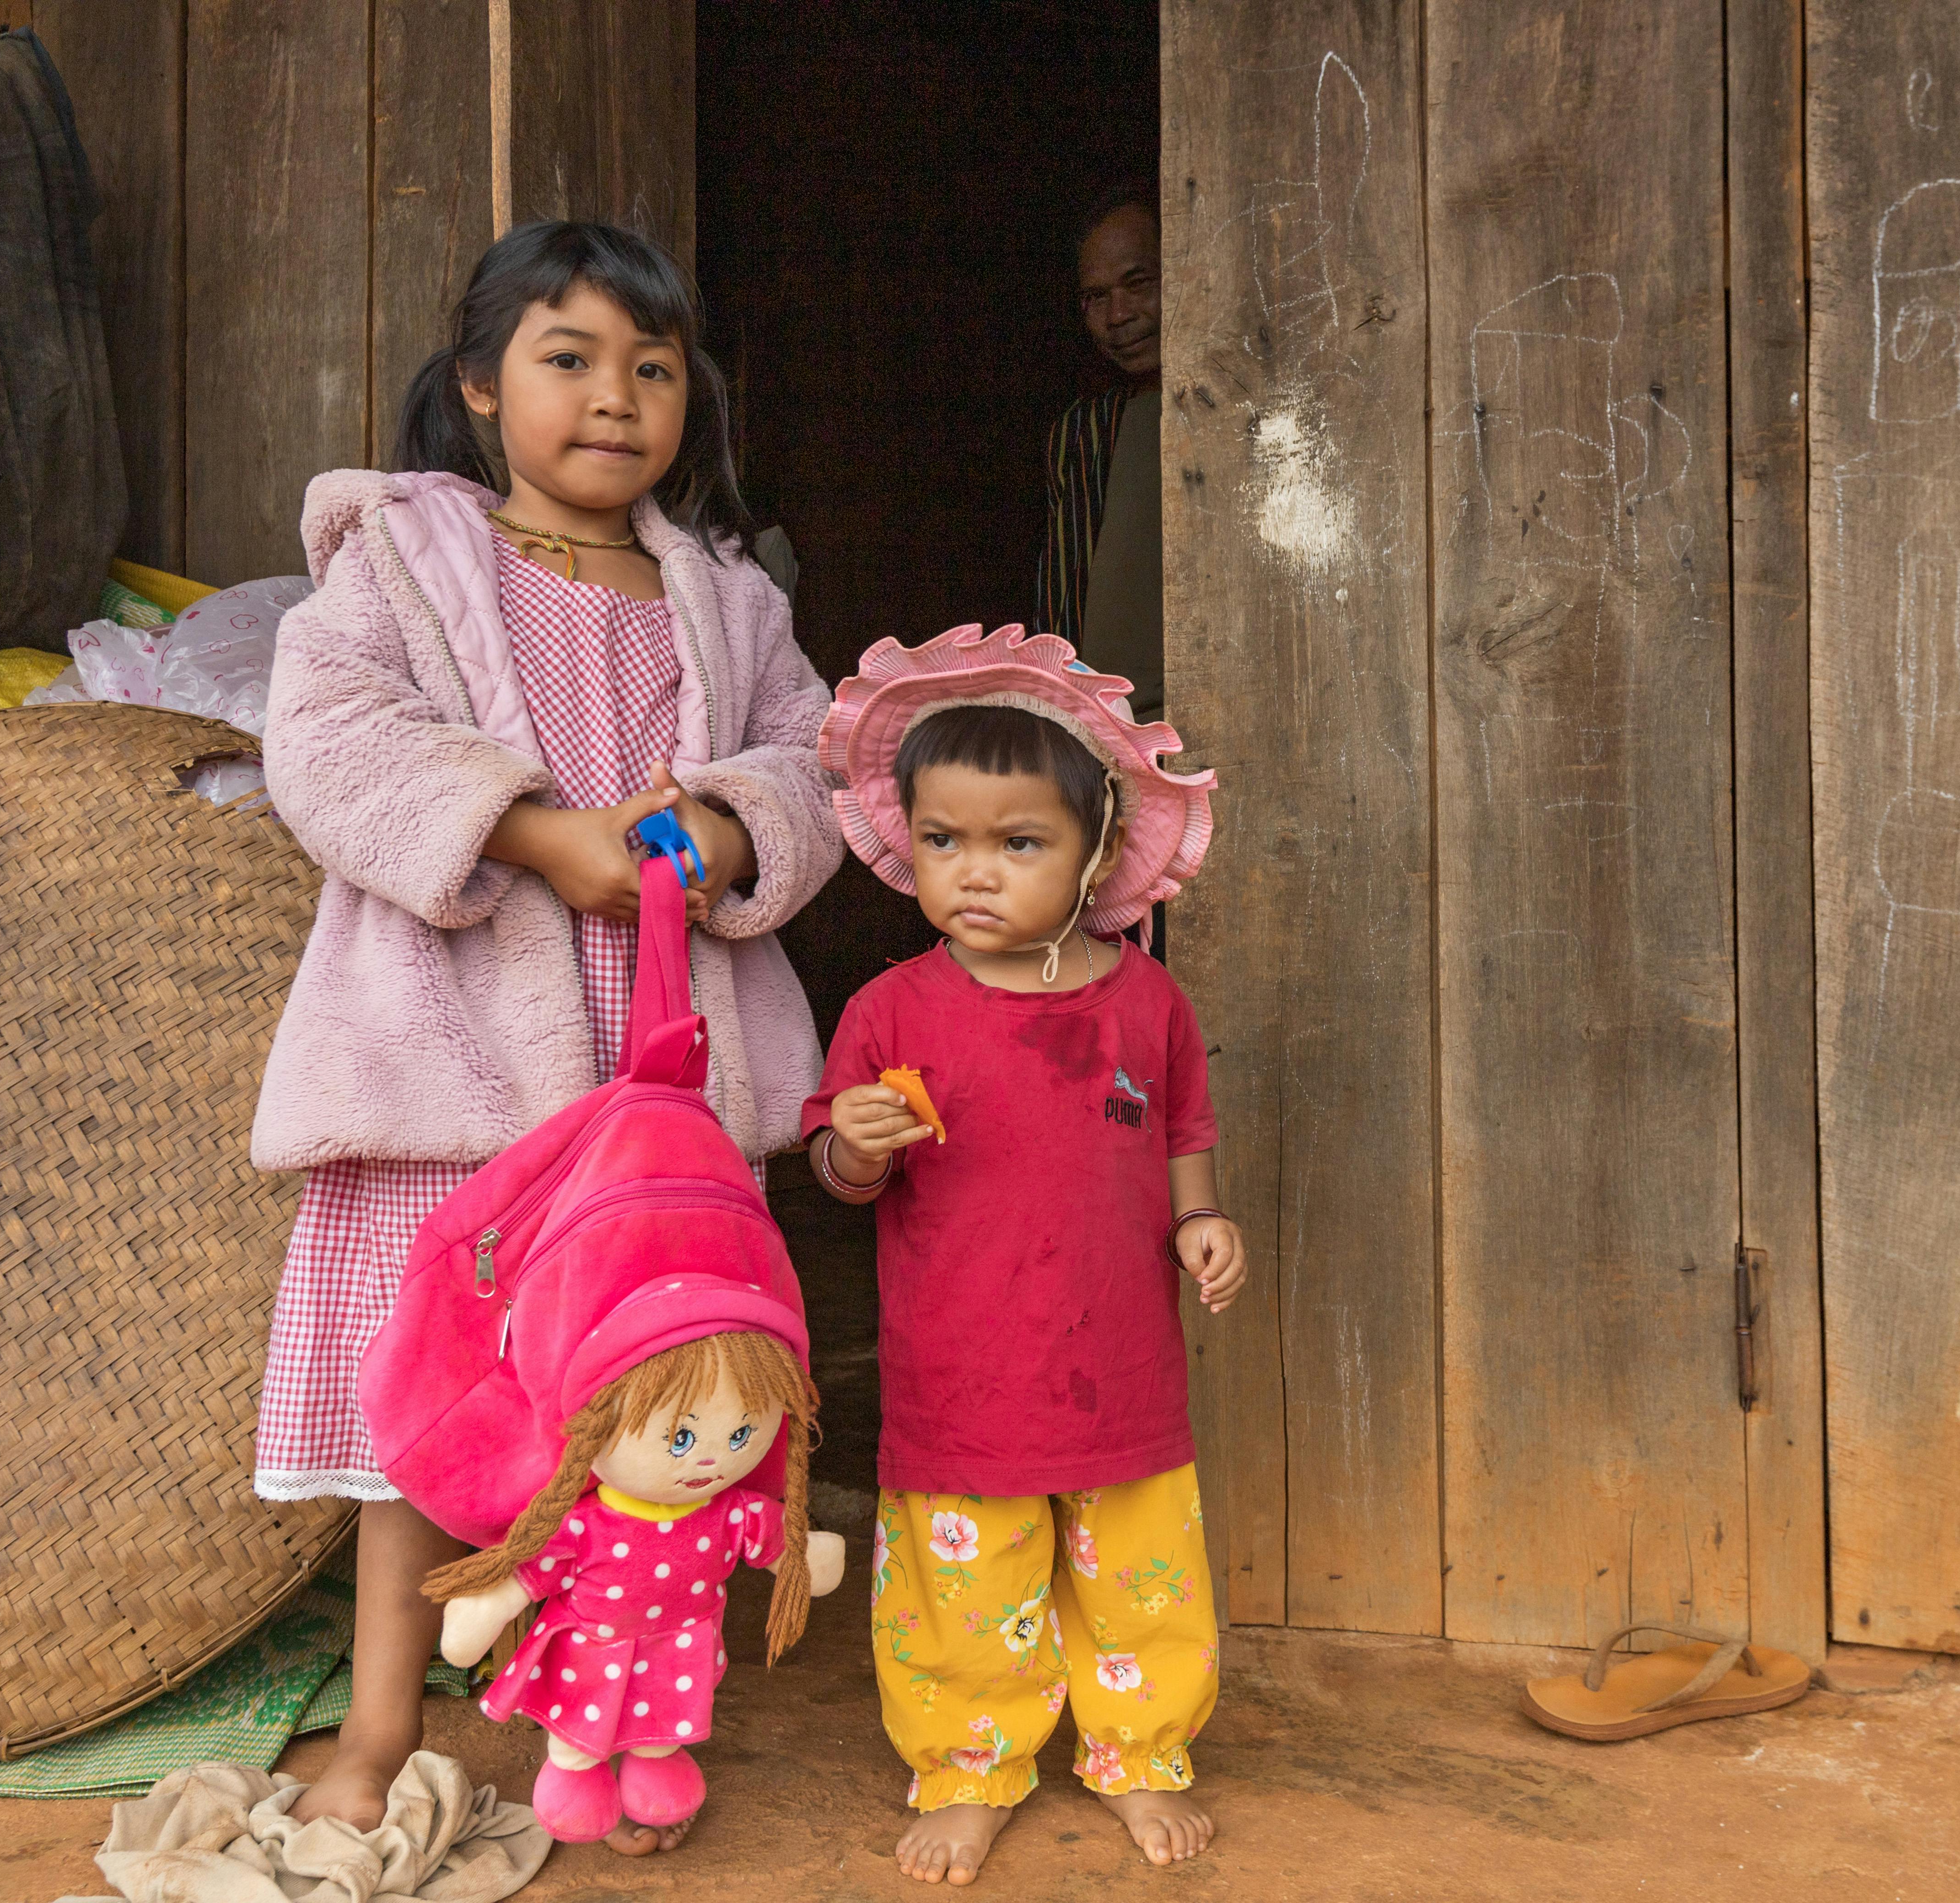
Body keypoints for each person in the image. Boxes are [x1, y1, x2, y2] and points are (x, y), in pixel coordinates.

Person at [249, 220, 843, 1846]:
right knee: (426, 1397)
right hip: (460, 1068)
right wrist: (530, 831)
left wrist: (726, 832)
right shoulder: (405, 566)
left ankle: (626, 1717)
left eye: (652, 369)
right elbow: (328, 737)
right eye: (568, 359)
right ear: (475, 389)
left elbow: (815, 760)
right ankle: (378, 1725)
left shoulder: (723, 597)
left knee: (643, 1402)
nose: (614, 397)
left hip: (651, 1071)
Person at [803, 627, 1240, 1885]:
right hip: (964, 1370)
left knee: (1141, 1582)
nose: (974, 875)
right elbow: (838, 1177)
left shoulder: (1147, 1002)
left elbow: (1183, 1127)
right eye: (944, 842)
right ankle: (971, 1765)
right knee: (966, 1586)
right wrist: (861, 1144)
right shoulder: (891, 1009)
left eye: (1019, 843)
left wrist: (1202, 1220)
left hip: (1123, 1369)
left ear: (1097, 852)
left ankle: (1142, 1754)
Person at [1037, 181, 1163, 721]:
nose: (1118, 316)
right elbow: (1058, 620)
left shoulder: (1246, 412)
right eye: (1097, 297)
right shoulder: (1083, 434)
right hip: (1109, 745)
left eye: (1138, 283)